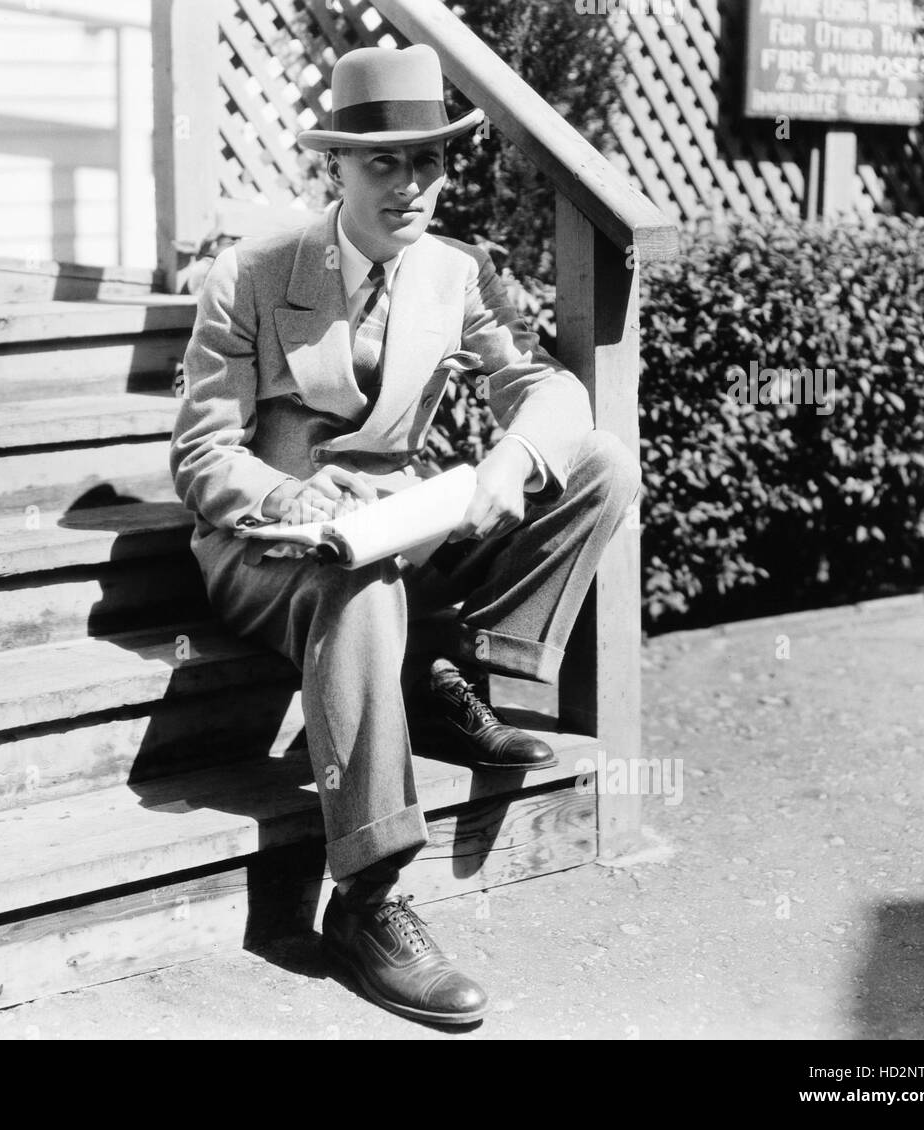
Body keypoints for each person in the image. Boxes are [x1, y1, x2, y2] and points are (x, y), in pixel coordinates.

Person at [170, 44, 641, 1025]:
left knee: (598, 460)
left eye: (427, 161)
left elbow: (547, 385)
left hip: (399, 526)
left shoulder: (454, 273)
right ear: (334, 166)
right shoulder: (248, 278)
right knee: (363, 580)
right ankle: (370, 898)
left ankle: (450, 668)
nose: (410, 184)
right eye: (384, 162)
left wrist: (508, 463)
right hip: (275, 549)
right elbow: (203, 456)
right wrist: (296, 501)